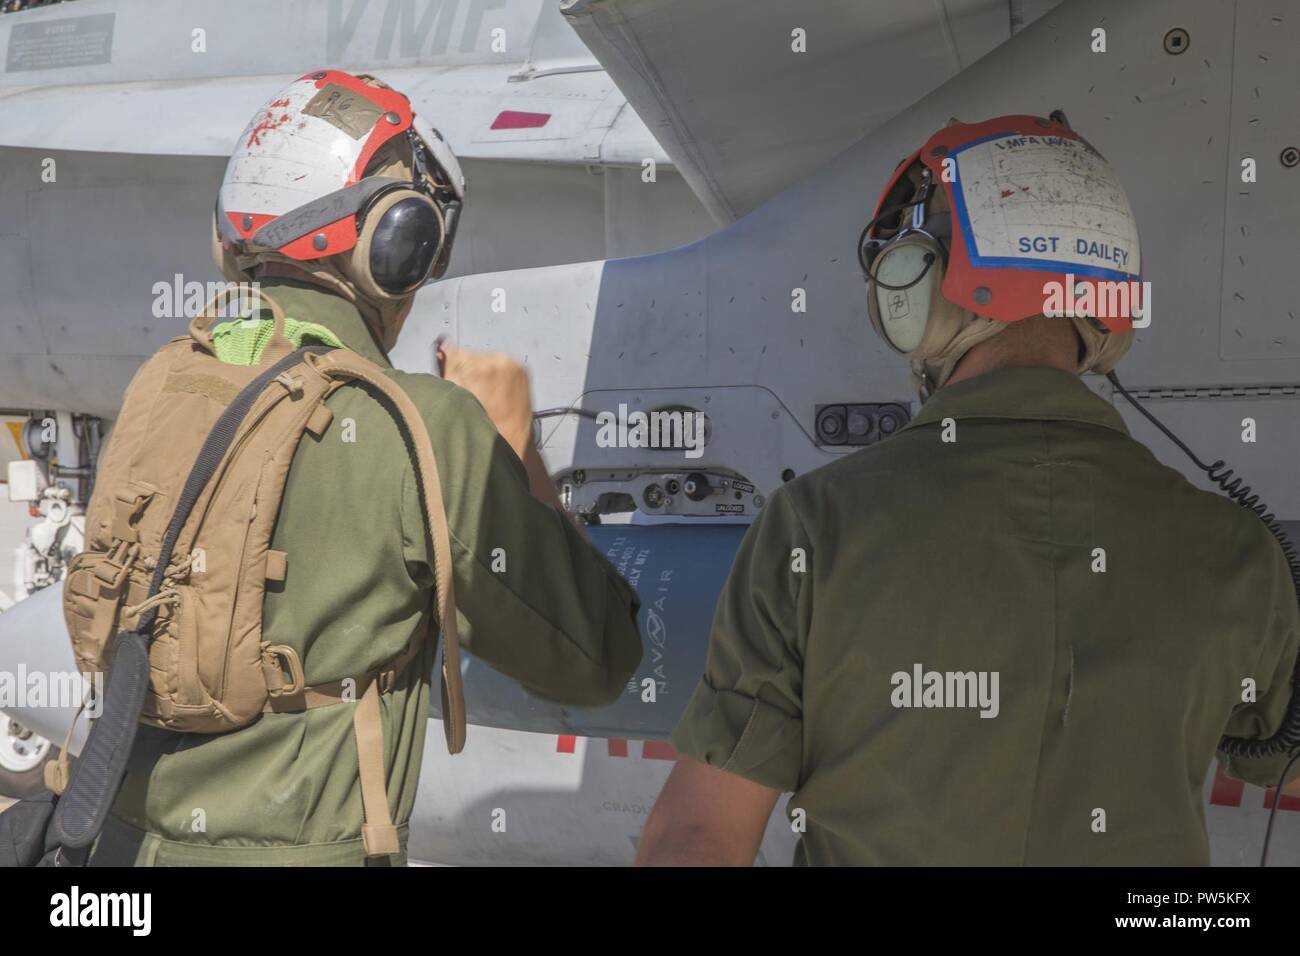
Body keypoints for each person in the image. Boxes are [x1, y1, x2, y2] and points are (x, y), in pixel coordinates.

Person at [635, 114, 1300, 866]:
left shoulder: (816, 529)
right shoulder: (1237, 552)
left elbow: (698, 840)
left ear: (918, 285)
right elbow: (1276, 755)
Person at [86, 70, 642, 865]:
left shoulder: (160, 385)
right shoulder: (417, 426)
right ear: (394, 242)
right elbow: (595, 657)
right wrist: (520, 453)